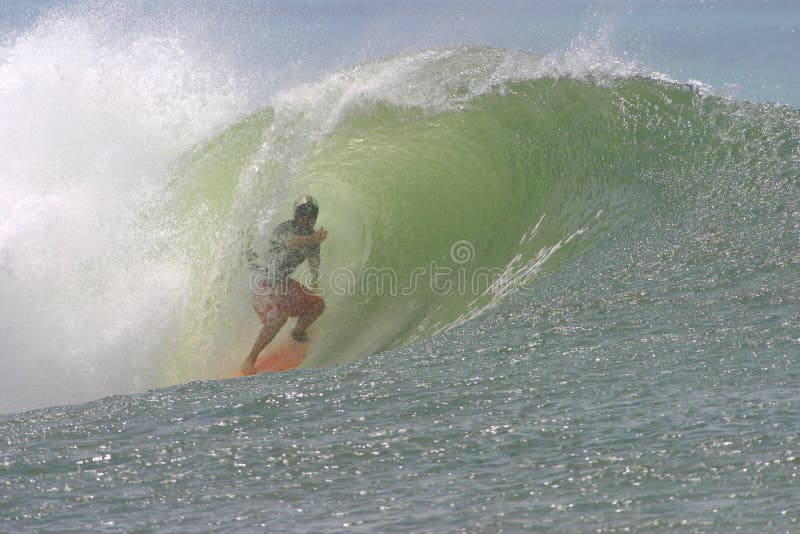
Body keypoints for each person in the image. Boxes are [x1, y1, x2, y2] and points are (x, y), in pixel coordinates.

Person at [240, 195, 328, 375]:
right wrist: (315, 238)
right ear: (296, 215)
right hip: (261, 282)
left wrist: (315, 278)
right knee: (280, 317)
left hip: (282, 283)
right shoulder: (286, 229)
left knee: (317, 305)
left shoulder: (312, 238)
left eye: (311, 216)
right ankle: (250, 360)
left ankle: (298, 332)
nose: (307, 219)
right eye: (303, 215)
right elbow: (291, 242)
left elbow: (313, 259)